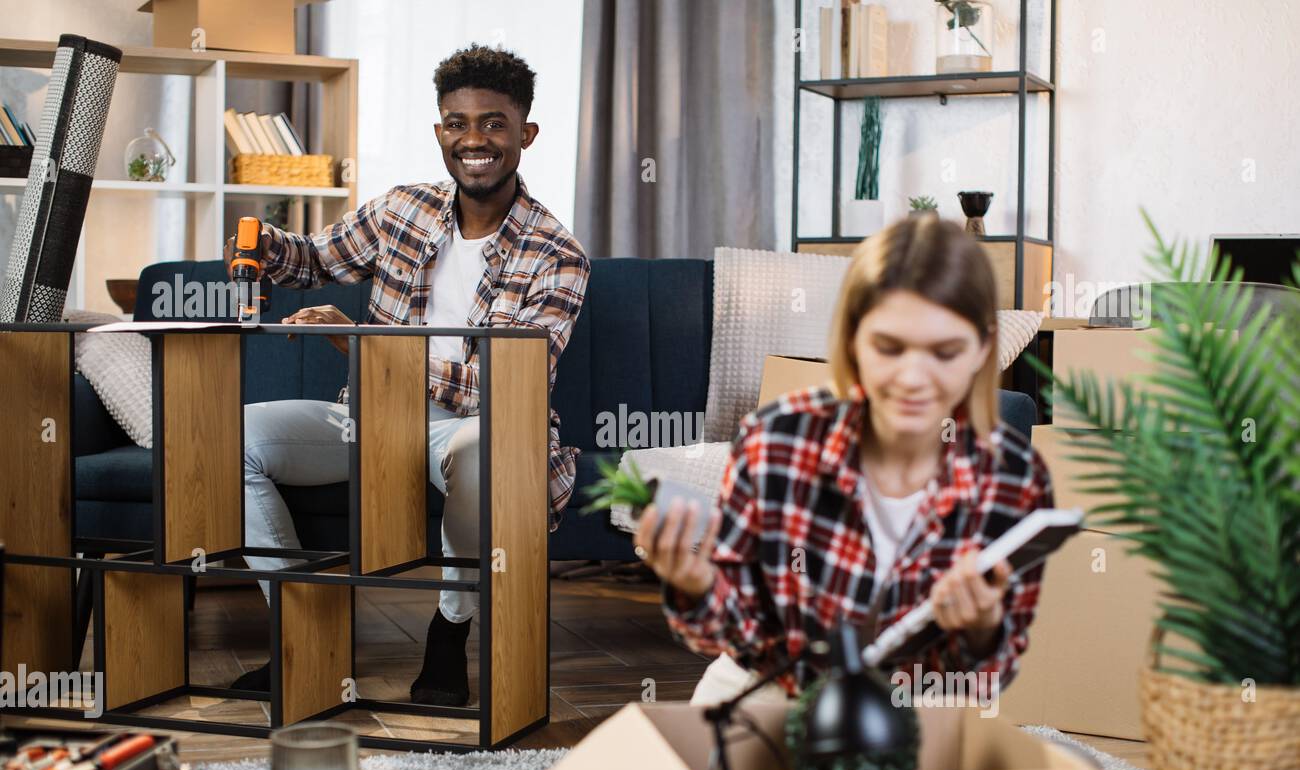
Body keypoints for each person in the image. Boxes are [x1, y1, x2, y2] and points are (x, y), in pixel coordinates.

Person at [228, 45, 590, 706]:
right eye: (457, 122)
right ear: (439, 132)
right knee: (234, 438)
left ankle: (449, 636)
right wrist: (265, 247)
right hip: (369, 414)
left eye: (493, 123)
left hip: (477, 429)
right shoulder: (401, 210)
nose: (473, 139)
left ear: (525, 135)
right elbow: (314, 259)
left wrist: (364, 344)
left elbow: (507, 383)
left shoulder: (558, 254)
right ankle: (303, 638)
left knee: (486, 450)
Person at [634, 216, 1054, 704]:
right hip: (772, 682)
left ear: (983, 347)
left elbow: (992, 674)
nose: (913, 378)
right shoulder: (777, 442)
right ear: (853, 340)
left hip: (913, 696)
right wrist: (699, 585)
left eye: (944, 352)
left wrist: (982, 628)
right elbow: (737, 633)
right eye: (889, 347)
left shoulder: (1013, 477)